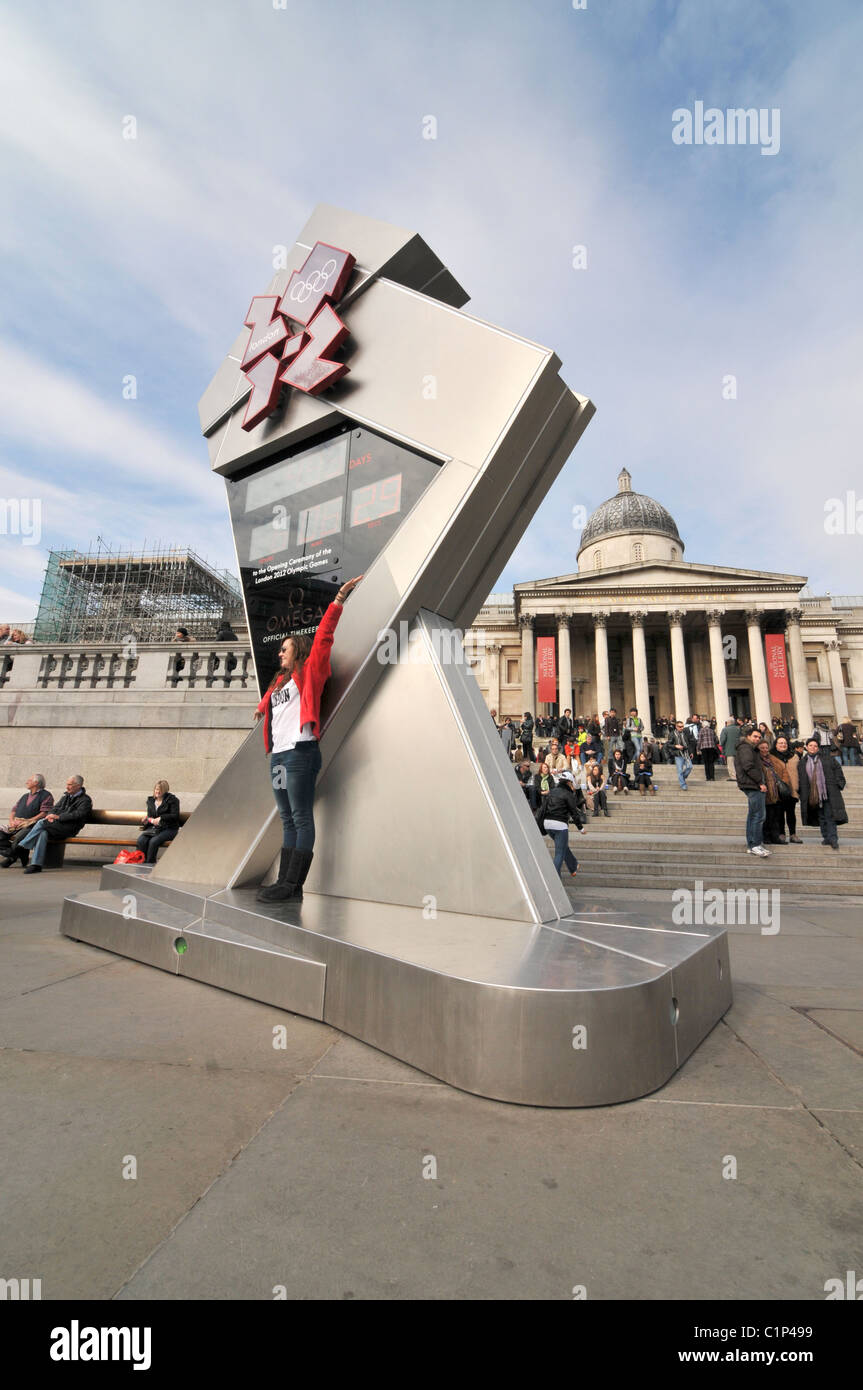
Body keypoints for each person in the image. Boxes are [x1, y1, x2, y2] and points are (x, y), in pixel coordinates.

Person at [254, 574, 362, 902]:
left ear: (297, 651)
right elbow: (272, 699)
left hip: (301, 751)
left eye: (284, 650)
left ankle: (293, 884)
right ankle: (285, 883)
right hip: (278, 755)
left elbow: (324, 637)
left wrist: (338, 601)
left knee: (301, 815)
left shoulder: (311, 670)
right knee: (286, 816)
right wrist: (261, 707)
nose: (280, 655)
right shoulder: (280, 681)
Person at [14, 774, 93, 873]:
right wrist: (50, 815)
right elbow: (54, 809)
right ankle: (36, 864)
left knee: (41, 823)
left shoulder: (85, 800)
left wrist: (58, 817)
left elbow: (78, 815)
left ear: (78, 786)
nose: (67, 787)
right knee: (43, 832)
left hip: (70, 828)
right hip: (56, 826)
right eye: (67, 784)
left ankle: (22, 846)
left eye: (70, 785)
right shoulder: (66, 797)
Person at [798, 736, 847, 852]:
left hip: (828, 793)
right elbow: (800, 779)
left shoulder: (827, 758)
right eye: (810, 745)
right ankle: (826, 837)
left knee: (830, 816)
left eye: (815, 746)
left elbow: (837, 770)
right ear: (806, 747)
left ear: (818, 748)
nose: (813, 748)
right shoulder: (802, 762)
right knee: (821, 817)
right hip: (813, 795)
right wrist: (802, 793)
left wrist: (840, 783)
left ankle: (833, 839)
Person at [0, 775, 55, 867]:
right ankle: (16, 854)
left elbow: (44, 813)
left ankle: (12, 858)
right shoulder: (25, 796)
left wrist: (28, 821)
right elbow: (14, 810)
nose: (26, 782)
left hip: (32, 826)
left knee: (19, 837)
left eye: (29, 780)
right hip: (16, 825)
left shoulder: (46, 795)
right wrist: (11, 821)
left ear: (36, 783)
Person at [538, 772, 583, 878]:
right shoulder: (568, 794)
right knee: (559, 853)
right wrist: (581, 828)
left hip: (547, 824)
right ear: (568, 783)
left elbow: (543, 807)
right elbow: (574, 812)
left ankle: (573, 865)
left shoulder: (552, 791)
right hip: (560, 825)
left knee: (561, 846)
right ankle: (555, 878)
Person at [735, 727, 771, 857]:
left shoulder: (748, 748)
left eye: (759, 737)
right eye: (755, 736)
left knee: (753, 816)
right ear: (748, 736)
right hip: (752, 785)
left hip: (750, 784)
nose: (757, 739)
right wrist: (760, 782)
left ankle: (752, 844)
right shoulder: (746, 748)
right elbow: (748, 766)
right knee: (758, 816)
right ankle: (756, 844)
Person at [765, 736, 801, 844]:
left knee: (791, 813)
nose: (783, 745)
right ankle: (781, 834)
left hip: (792, 789)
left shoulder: (794, 756)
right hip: (777, 789)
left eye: (784, 743)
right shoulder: (770, 756)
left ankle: (793, 834)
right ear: (775, 744)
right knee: (779, 813)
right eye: (780, 743)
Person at [136, 780, 181, 863]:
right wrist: (146, 821)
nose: (158, 791)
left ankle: (150, 865)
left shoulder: (173, 800)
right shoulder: (151, 801)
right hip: (154, 829)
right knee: (141, 840)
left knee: (153, 841)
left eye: (160, 790)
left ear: (165, 790)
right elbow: (150, 817)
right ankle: (140, 864)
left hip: (169, 829)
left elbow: (175, 816)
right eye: (156, 789)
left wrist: (161, 818)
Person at [668, 721, 692, 790]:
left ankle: (682, 777)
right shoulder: (672, 734)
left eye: (682, 726)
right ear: (676, 726)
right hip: (678, 754)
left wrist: (691, 752)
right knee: (680, 770)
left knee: (689, 767)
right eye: (680, 727)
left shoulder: (685, 733)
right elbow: (668, 745)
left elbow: (689, 743)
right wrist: (675, 746)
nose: (682, 728)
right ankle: (683, 784)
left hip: (686, 753)